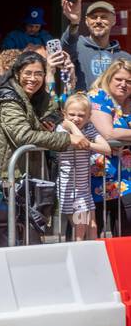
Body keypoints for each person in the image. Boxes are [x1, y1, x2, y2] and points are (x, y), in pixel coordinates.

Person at [0, 51, 77, 244]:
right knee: (9, 238)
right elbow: (23, 136)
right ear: (17, 73)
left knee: (29, 237)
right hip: (7, 180)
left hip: (24, 177)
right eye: (28, 73)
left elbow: (55, 111)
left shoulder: (32, 97)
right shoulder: (9, 99)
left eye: (39, 74)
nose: (33, 78)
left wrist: (45, 122)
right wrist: (67, 140)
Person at [54, 93, 110, 242]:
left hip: (84, 189)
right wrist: (70, 125)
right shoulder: (62, 129)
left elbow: (106, 149)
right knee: (80, 229)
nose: (76, 118)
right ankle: (80, 260)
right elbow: (79, 140)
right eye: (72, 115)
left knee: (92, 226)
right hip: (70, 189)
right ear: (64, 114)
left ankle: (93, 259)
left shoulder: (88, 127)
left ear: (88, 116)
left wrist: (89, 145)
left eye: (81, 115)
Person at [88, 58, 131, 235]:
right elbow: (108, 133)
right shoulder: (98, 96)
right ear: (108, 78)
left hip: (126, 181)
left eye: (129, 81)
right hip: (95, 179)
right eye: (118, 79)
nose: (123, 84)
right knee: (89, 238)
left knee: (125, 236)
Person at [61, 0, 122, 92]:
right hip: (83, 106)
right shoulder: (77, 47)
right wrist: (74, 22)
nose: (98, 21)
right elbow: (65, 49)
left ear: (114, 20)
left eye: (104, 17)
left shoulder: (124, 58)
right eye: (93, 17)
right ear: (86, 21)